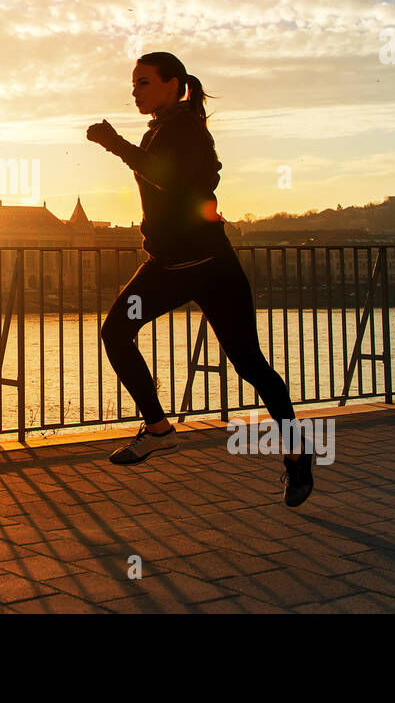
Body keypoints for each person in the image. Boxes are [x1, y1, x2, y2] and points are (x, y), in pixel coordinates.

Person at [87, 51, 313, 507]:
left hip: (210, 267)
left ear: (173, 84)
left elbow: (182, 181)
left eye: (144, 82)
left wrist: (114, 143)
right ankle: (158, 429)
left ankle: (297, 454)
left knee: (250, 364)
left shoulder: (186, 129)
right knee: (115, 331)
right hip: (169, 266)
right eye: (133, 85)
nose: (136, 91)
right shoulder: (159, 130)